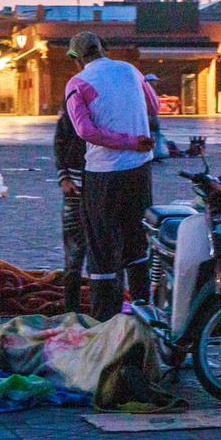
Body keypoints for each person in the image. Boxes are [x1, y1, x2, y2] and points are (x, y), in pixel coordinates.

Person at [63, 32, 158, 321]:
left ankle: (106, 324)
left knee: (103, 248)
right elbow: (153, 107)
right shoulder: (130, 70)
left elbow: (85, 131)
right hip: (140, 170)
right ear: (103, 49)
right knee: (137, 240)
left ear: (77, 58)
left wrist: (126, 140)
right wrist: (136, 137)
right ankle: (144, 312)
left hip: (104, 174)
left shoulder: (77, 83)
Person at [53, 102, 87, 313]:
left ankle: (102, 312)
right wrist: (64, 177)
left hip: (100, 191)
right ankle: (71, 312)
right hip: (75, 190)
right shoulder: (73, 105)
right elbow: (59, 142)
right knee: (73, 258)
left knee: (101, 260)